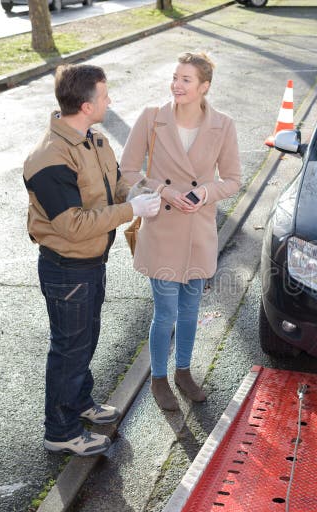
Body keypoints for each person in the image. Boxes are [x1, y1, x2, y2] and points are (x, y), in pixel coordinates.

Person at [24, 64, 161, 456]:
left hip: (90, 263)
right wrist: (132, 209)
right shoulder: (48, 158)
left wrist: (142, 189)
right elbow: (72, 225)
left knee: (84, 341)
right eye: (104, 96)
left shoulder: (94, 139)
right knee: (69, 347)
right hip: (67, 267)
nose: (109, 101)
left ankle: (80, 403)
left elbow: (113, 185)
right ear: (86, 105)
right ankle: (60, 430)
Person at [120, 52, 242, 411]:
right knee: (165, 313)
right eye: (175, 77)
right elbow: (127, 171)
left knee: (190, 311)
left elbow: (233, 180)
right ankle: (159, 378)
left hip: (199, 230)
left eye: (186, 79)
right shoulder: (151, 118)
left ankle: (183, 372)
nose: (177, 84)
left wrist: (204, 192)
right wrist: (163, 190)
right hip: (162, 228)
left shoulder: (223, 124)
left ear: (204, 87)